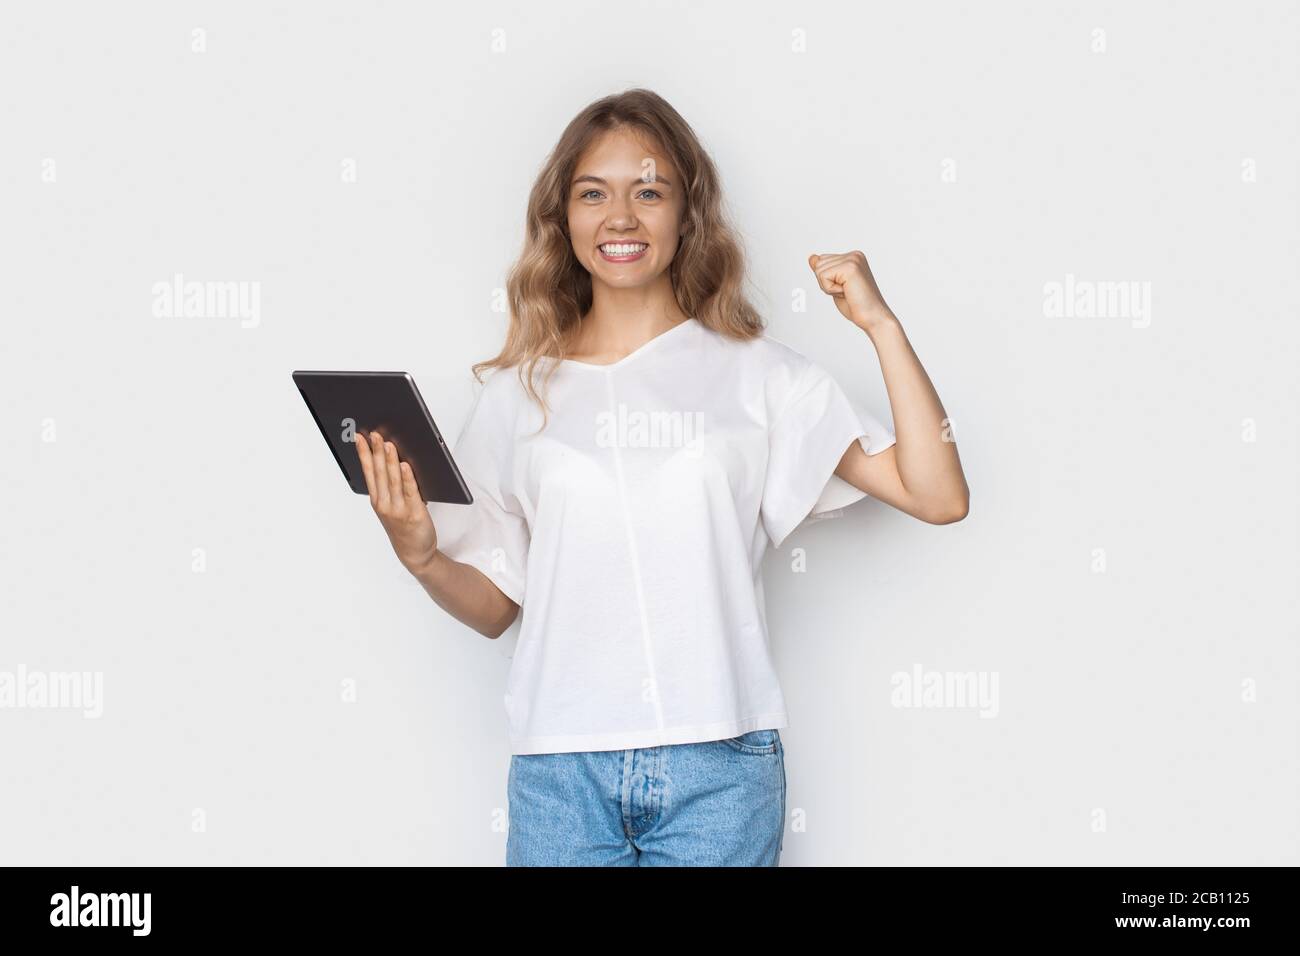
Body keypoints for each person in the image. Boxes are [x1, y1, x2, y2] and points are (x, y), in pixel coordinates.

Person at [352, 88, 970, 866]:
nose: (621, 217)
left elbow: (939, 495)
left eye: (649, 190)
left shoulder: (761, 377)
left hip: (721, 767)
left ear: (688, 213)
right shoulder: (517, 394)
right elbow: (494, 607)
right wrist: (422, 557)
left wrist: (882, 325)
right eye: (593, 193)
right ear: (563, 218)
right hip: (560, 774)